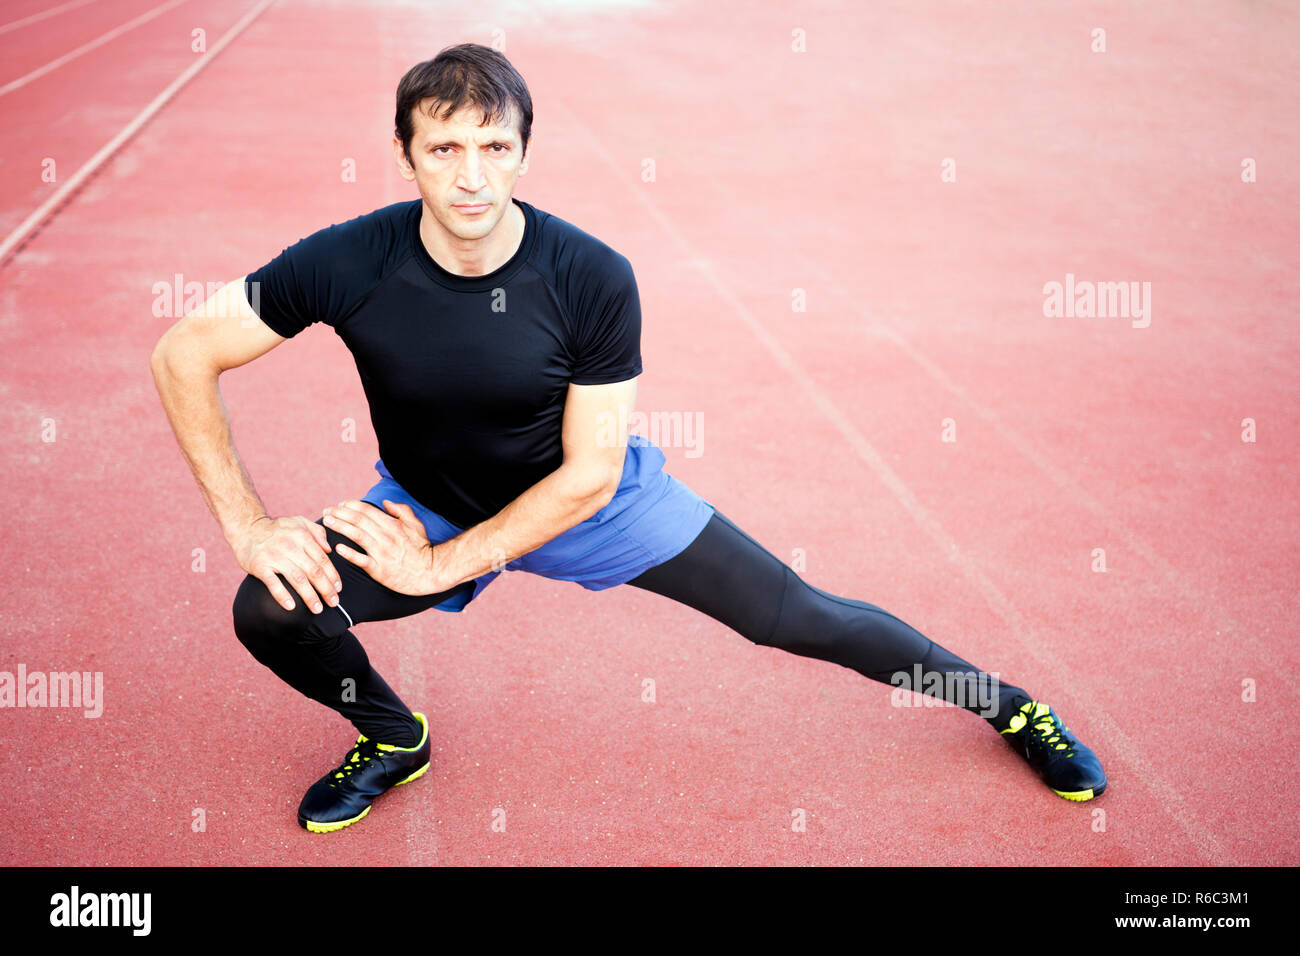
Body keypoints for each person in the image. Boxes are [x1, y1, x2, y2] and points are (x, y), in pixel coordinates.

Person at [150, 43, 1106, 834]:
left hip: (592, 503)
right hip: (429, 503)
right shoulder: (347, 257)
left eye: (494, 145)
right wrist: (248, 526)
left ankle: (1009, 706)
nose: (471, 173)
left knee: (801, 617)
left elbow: (592, 470)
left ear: (526, 152)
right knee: (269, 606)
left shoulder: (593, 276)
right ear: (404, 156)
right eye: (443, 149)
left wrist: (442, 569)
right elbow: (183, 353)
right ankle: (393, 737)